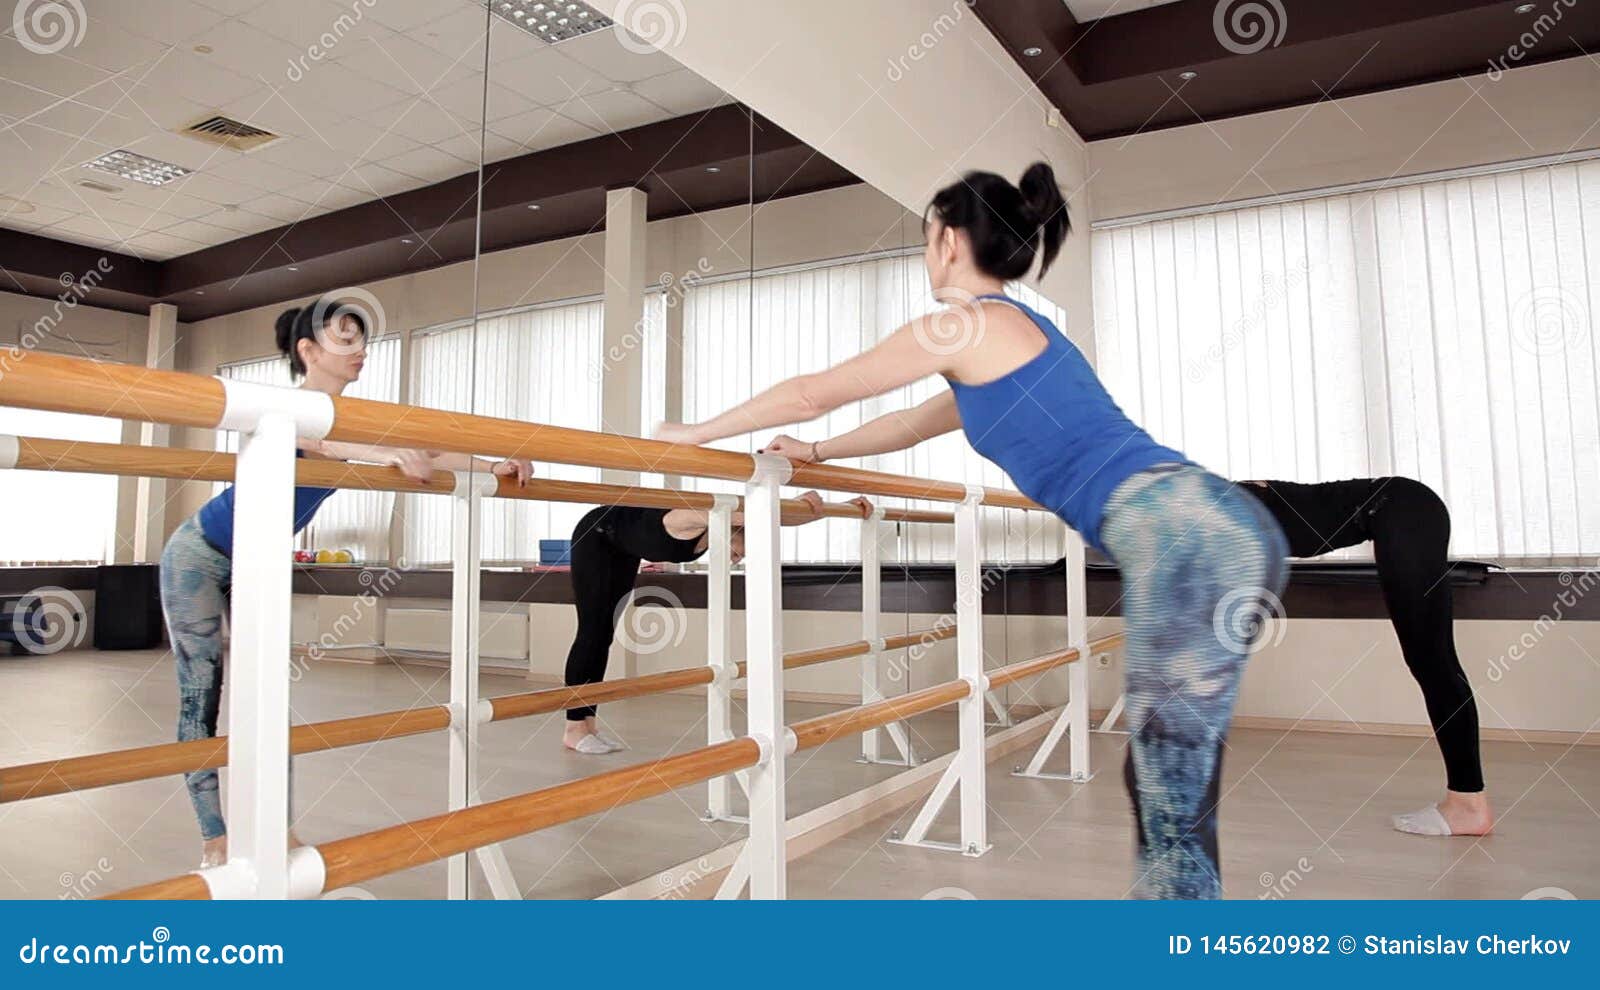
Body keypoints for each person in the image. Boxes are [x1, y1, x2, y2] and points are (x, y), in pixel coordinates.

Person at [657, 162, 1289, 899]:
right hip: (1215, 527)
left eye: (927, 235)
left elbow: (809, 392)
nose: (927, 252)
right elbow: (907, 423)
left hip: (1188, 537)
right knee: (1167, 782)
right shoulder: (1007, 338)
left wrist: (694, 433)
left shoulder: (966, 325)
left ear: (949, 240)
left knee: (1169, 797)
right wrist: (817, 453)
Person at [160, 299, 533, 868]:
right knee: (201, 696)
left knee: (269, 697)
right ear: (309, 351)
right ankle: (215, 838)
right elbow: (327, 444)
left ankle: (277, 830)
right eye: (344, 339)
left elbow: (434, 449)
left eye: (362, 340)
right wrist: (388, 453)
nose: (359, 351)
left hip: (257, 564)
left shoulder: (354, 416)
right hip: (199, 556)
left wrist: (495, 465)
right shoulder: (289, 407)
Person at [1240, 477, 1492, 836]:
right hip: (1402, 509)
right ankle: (1468, 802)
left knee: (1432, 661)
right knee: (1433, 660)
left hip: (1400, 508)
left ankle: (1468, 806)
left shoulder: (1214, 510)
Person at [562, 493, 871, 753]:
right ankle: (574, 728)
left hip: (619, 545)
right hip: (596, 533)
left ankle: (588, 724)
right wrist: (806, 504)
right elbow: (761, 510)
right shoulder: (688, 520)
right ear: (736, 527)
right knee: (592, 631)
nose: (735, 559)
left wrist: (840, 508)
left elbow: (769, 517)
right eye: (738, 551)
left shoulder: (715, 529)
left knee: (603, 634)